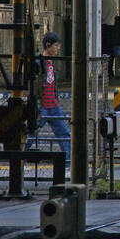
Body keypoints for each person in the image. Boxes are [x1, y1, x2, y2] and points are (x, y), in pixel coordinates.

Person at [39, 33, 71, 168]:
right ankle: (22, 156)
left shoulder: (51, 62)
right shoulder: (39, 62)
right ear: (48, 45)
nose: (58, 49)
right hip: (42, 105)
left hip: (53, 104)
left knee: (64, 132)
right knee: (30, 132)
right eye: (56, 46)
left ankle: (69, 159)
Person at [99, 0, 117, 78]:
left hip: (105, 27)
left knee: (104, 51)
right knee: (110, 51)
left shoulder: (105, 2)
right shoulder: (113, 1)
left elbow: (102, 16)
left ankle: (106, 71)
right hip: (112, 27)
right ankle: (110, 71)